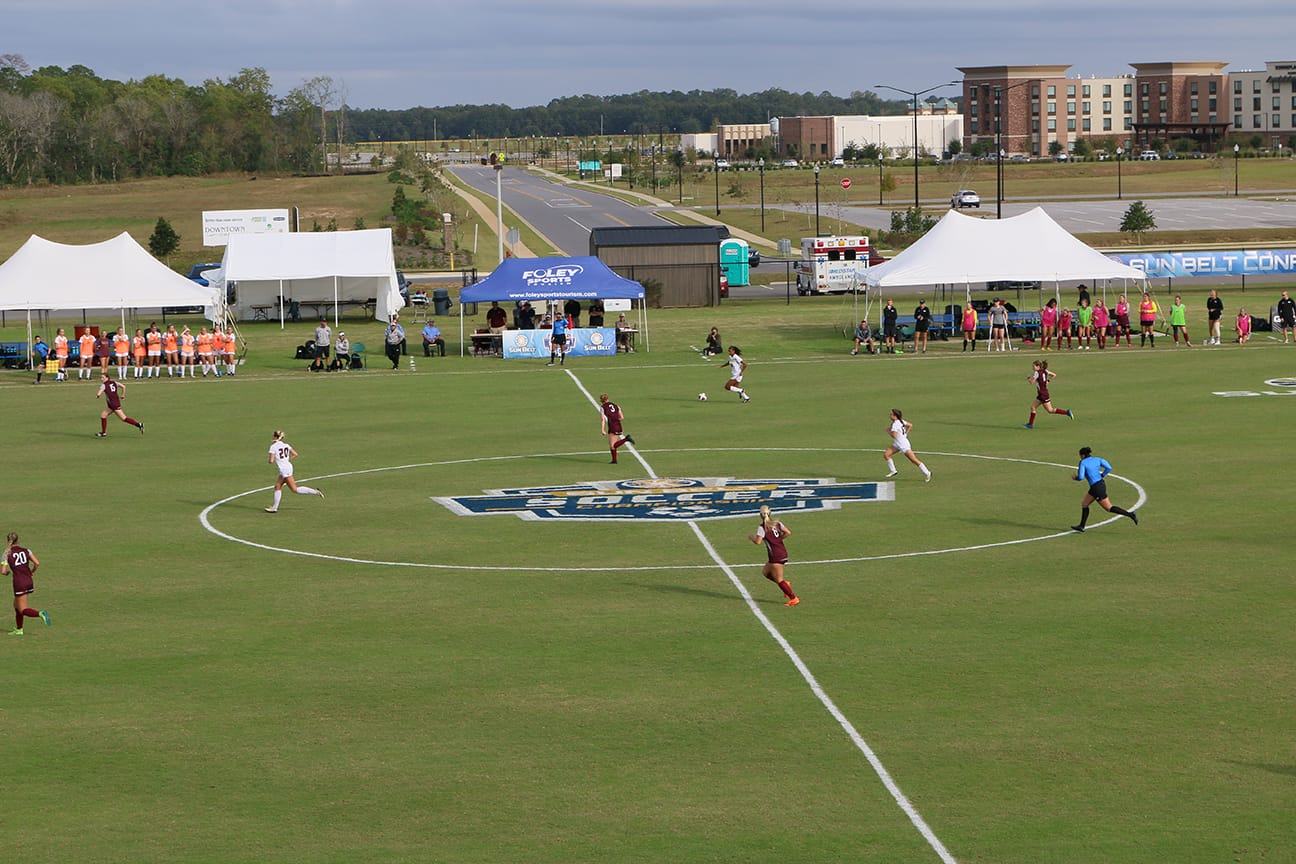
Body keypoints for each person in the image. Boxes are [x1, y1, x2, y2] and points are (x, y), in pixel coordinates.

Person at [1071, 446, 1139, 532]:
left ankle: (1130, 514)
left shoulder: (1083, 462)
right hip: (1100, 484)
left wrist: (1075, 478)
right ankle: (1081, 526)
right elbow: (1109, 468)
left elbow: (1081, 477)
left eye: (1080, 455)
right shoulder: (1097, 459)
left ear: (1083, 455)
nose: (1080, 457)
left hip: (1096, 488)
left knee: (1108, 508)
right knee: (1085, 504)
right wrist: (1102, 475)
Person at [747, 504, 799, 607]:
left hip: (776, 556)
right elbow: (788, 532)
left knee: (779, 580)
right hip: (781, 552)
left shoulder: (762, 527)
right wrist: (779, 539)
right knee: (766, 572)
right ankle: (785, 585)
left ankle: (793, 598)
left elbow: (758, 542)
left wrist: (752, 537)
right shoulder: (777, 523)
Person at [3, 532, 51, 636]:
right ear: (18, 540)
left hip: (19, 583)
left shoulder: (6, 554)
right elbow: (37, 563)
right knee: (16, 605)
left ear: (8, 541)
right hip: (28, 580)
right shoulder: (26, 550)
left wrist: (7, 573)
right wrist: (32, 571)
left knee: (22, 609)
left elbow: (3, 571)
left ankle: (40, 614)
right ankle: (19, 629)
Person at [264, 430, 324, 513]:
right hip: (288, 467)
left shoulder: (273, 447)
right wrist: (287, 460)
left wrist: (271, 460)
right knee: (277, 486)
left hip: (284, 470)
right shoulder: (286, 445)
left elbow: (271, 461)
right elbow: (295, 454)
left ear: (275, 437)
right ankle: (275, 507)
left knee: (294, 489)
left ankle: (315, 492)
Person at [882, 408, 932, 481]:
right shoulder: (900, 421)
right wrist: (905, 434)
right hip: (897, 444)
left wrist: (888, 431)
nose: (889, 416)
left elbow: (894, 436)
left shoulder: (895, 424)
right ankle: (893, 471)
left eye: (891, 414)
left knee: (913, 460)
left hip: (903, 445)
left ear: (895, 416)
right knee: (886, 454)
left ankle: (927, 472)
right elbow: (910, 425)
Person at [1025, 359, 1073, 429]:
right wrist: (1047, 381)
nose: (1032, 368)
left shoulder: (1037, 373)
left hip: (1043, 395)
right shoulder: (1045, 371)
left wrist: (1028, 377)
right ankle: (1030, 424)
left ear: (1038, 366)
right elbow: (1054, 375)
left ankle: (1067, 412)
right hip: (1042, 394)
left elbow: (1031, 382)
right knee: (1033, 407)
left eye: (1033, 366)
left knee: (1050, 410)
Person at [96, 371, 144, 437]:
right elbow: (123, 387)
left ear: (107, 378)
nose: (101, 379)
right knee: (103, 415)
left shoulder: (104, 385)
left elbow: (99, 392)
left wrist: (98, 395)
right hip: (113, 404)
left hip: (114, 405)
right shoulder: (114, 382)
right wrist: (123, 395)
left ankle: (139, 425)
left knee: (124, 418)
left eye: (103, 378)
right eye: (101, 378)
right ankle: (103, 433)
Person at [598, 393, 636, 465]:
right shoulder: (616, 405)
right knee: (611, 445)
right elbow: (622, 417)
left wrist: (602, 430)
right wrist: (616, 420)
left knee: (613, 446)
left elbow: (602, 419)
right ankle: (614, 460)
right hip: (618, 425)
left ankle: (626, 439)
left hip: (612, 426)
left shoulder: (602, 408)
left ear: (601, 400)